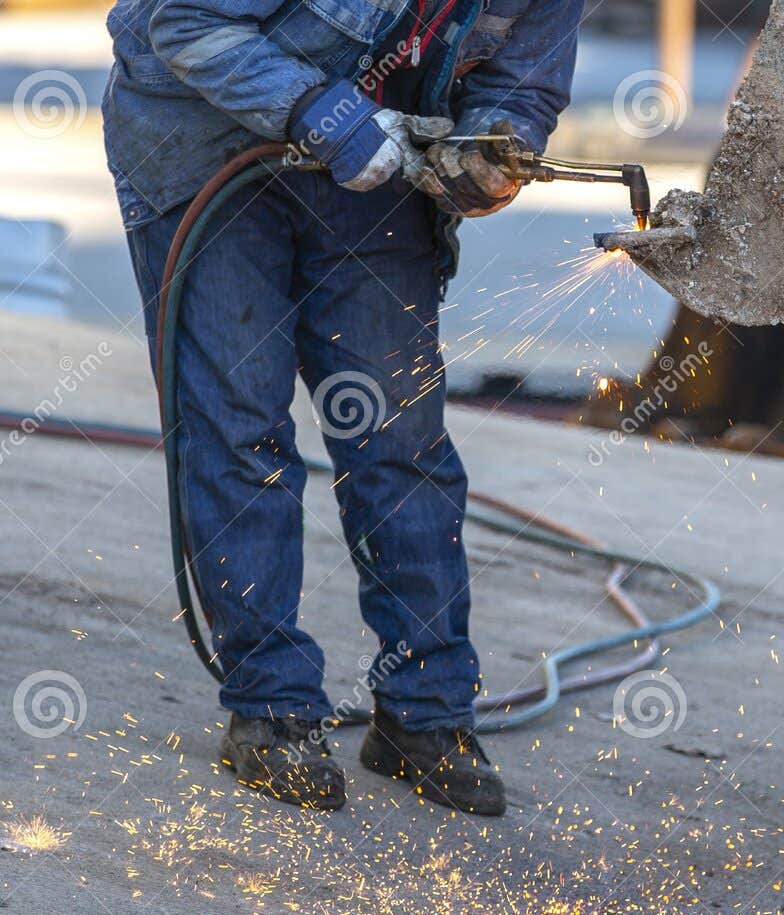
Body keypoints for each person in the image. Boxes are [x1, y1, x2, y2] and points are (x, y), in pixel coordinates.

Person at [102, 0, 585, 816]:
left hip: (373, 172)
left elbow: (525, 84)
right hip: (204, 150)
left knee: (401, 436)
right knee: (239, 428)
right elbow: (183, 21)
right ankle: (272, 708)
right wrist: (317, 110)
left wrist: (494, 146)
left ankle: (425, 713)